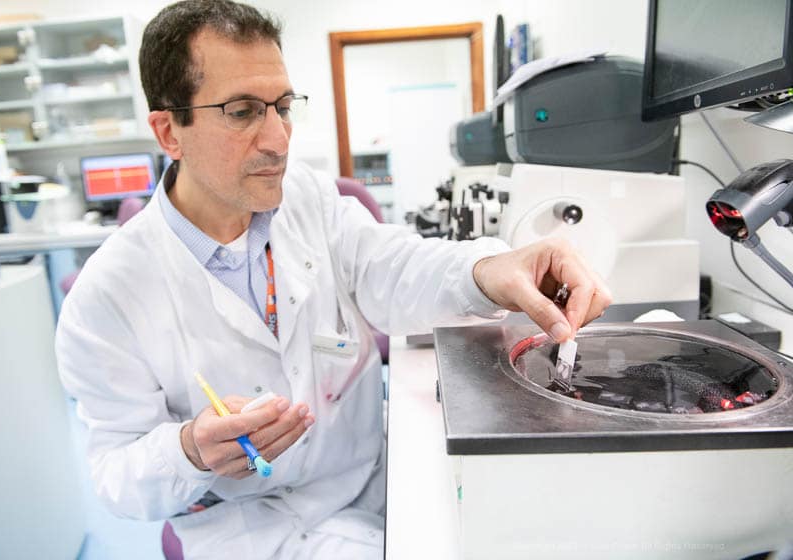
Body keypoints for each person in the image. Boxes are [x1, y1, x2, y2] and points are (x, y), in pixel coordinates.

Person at [55, 1, 611, 558]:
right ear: (169, 131)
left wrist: (491, 269)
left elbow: (393, 267)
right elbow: (114, 474)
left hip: (375, 481)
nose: (279, 139)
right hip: (253, 530)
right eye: (244, 111)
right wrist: (188, 451)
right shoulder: (106, 298)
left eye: (283, 106)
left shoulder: (307, 199)